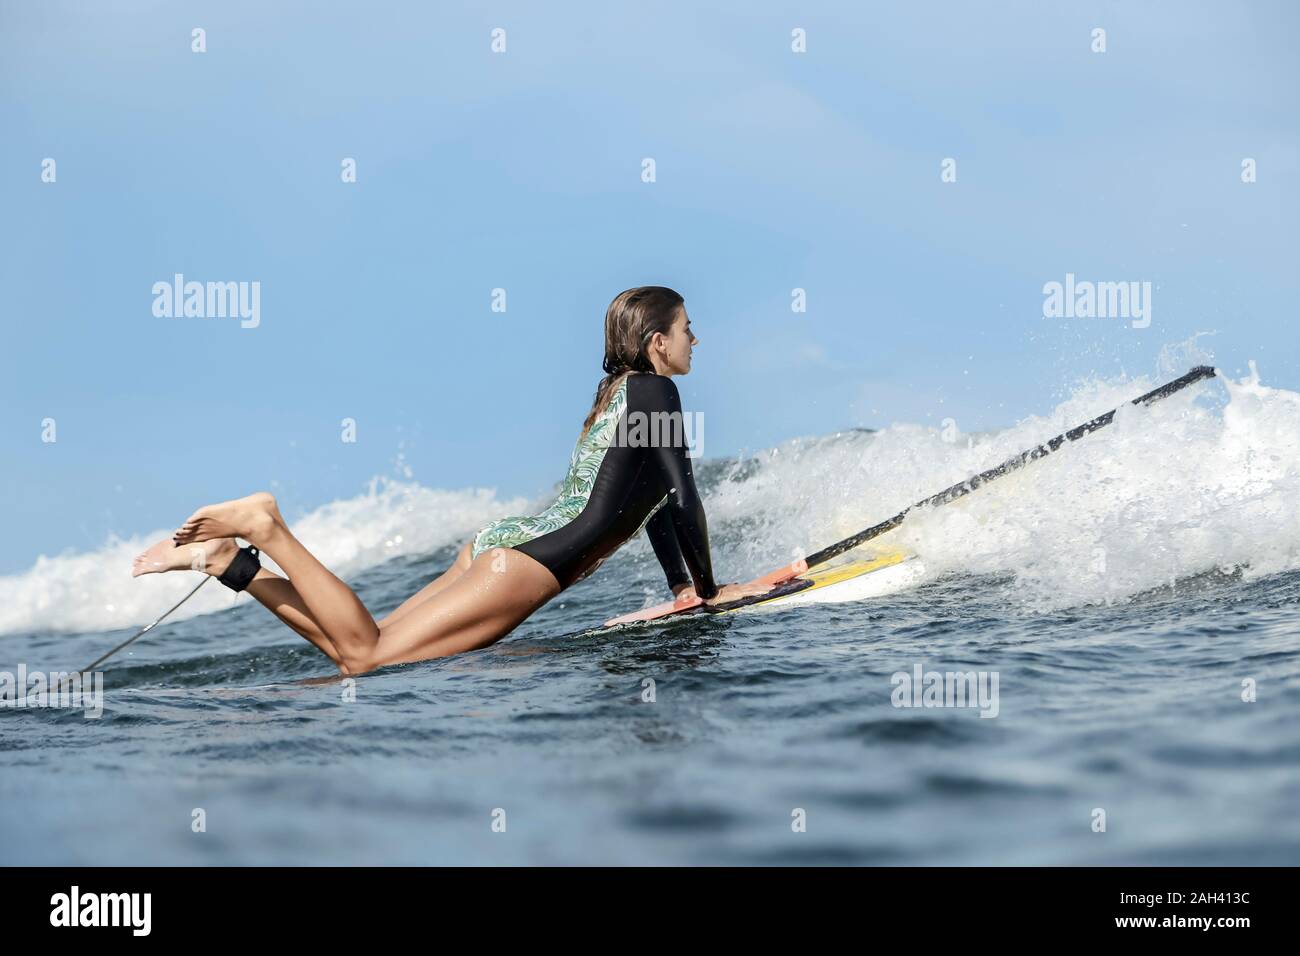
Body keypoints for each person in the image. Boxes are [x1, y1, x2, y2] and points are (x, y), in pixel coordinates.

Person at [132, 286, 769, 674]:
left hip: (506, 547)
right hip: (526, 564)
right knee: (367, 659)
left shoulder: (618, 393)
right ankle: (266, 528)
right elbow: (684, 494)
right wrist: (712, 590)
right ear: (658, 342)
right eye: (688, 328)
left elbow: (654, 502)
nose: (697, 338)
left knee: (360, 651)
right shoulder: (657, 392)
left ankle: (229, 564)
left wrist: (683, 587)